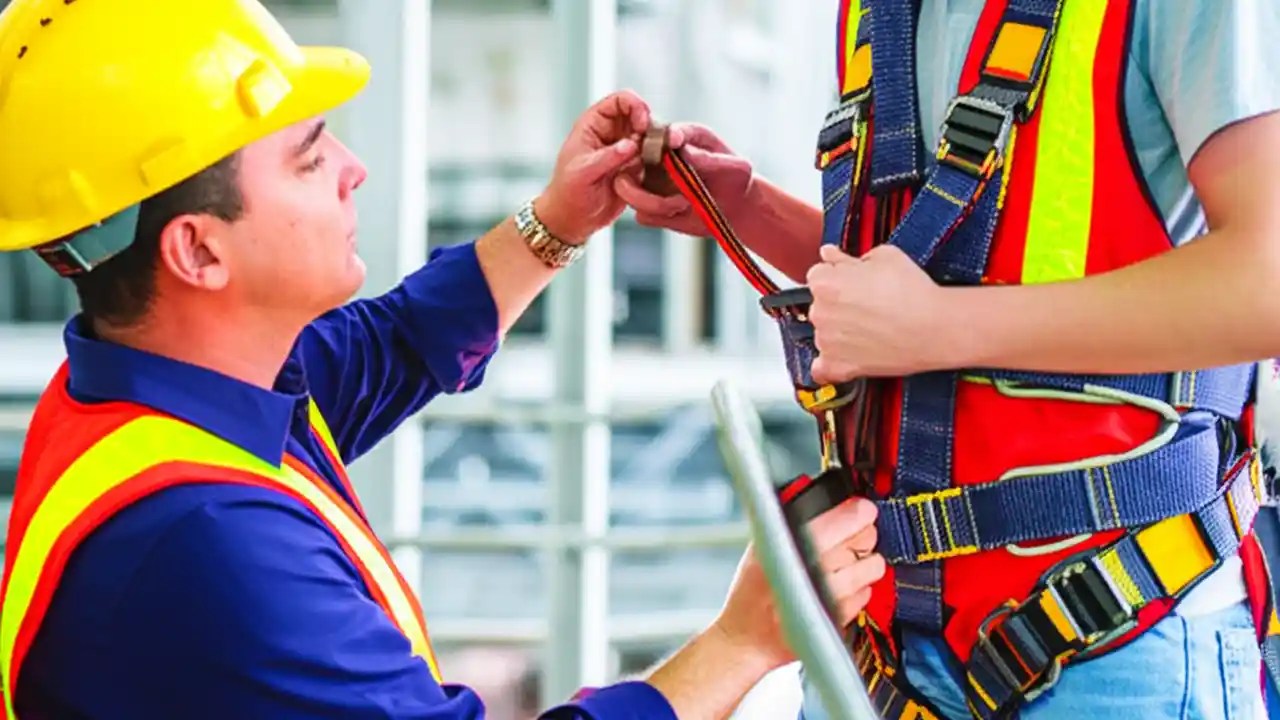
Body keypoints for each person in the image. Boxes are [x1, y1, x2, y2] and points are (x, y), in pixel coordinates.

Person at [0, 1, 890, 718]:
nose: (354, 169)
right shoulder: (208, 542)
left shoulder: (154, 399)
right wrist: (743, 642)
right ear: (198, 253)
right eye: (309, 161)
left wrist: (560, 219)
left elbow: (393, 341)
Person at [619, 0, 1280, 718]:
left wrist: (941, 327)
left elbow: (1264, 286)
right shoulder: (882, 14)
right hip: (881, 650)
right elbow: (920, 284)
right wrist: (745, 208)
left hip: (1115, 632)